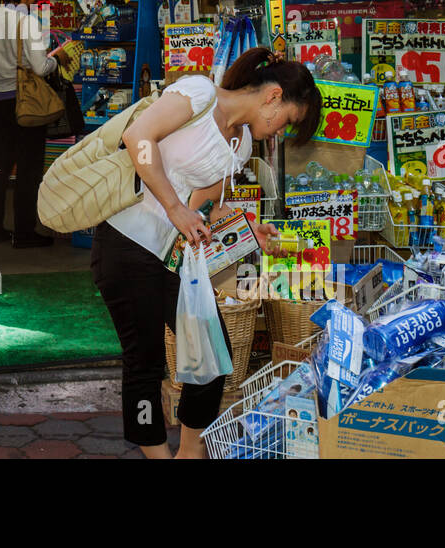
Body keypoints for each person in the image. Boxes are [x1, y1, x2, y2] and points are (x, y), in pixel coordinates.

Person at [92, 47, 322, 459]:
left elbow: (205, 208)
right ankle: (160, 455)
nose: (280, 132)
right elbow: (137, 139)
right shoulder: (199, 94)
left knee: (215, 357)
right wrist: (174, 206)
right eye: (287, 121)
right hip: (126, 243)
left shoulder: (244, 144)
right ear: (272, 96)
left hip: (175, 257)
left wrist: (249, 232)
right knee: (144, 363)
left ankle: (189, 452)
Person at [0, 0, 62, 248]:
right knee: (28, 170)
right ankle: (25, 232)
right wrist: (57, 59)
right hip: (26, 103)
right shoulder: (28, 23)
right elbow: (39, 66)